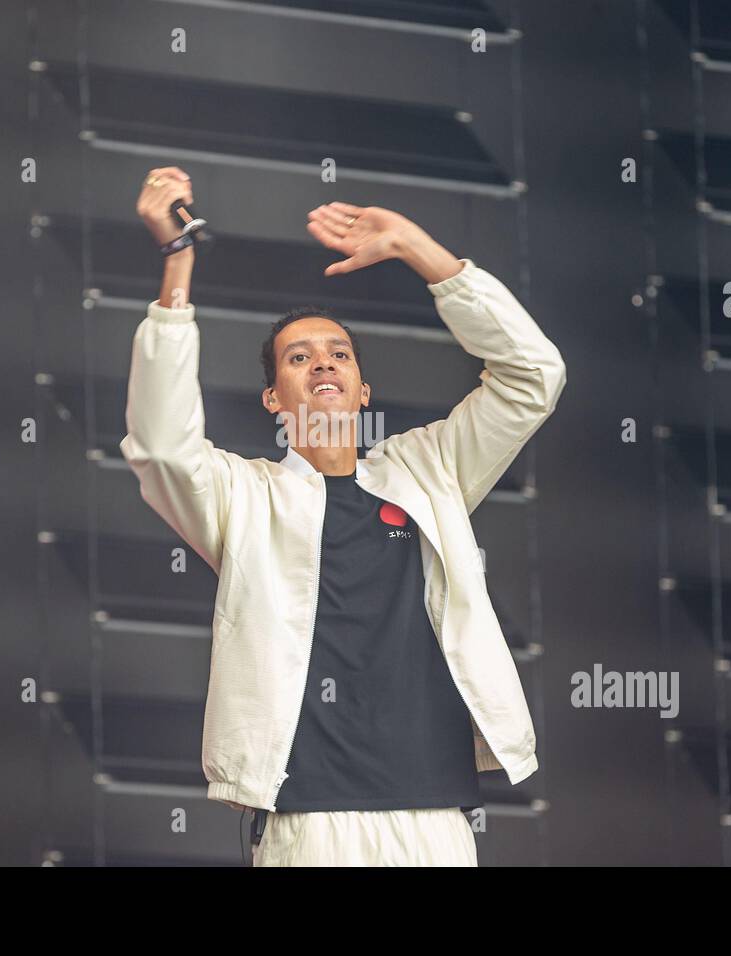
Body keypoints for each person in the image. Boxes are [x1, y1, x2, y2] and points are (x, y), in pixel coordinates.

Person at [121, 166, 566, 866]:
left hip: (434, 817)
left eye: (339, 354)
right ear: (274, 398)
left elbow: (533, 376)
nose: (322, 364)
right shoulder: (246, 496)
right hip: (310, 822)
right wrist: (178, 262)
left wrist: (424, 253)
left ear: (362, 391)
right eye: (299, 358)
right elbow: (161, 448)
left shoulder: (430, 470)